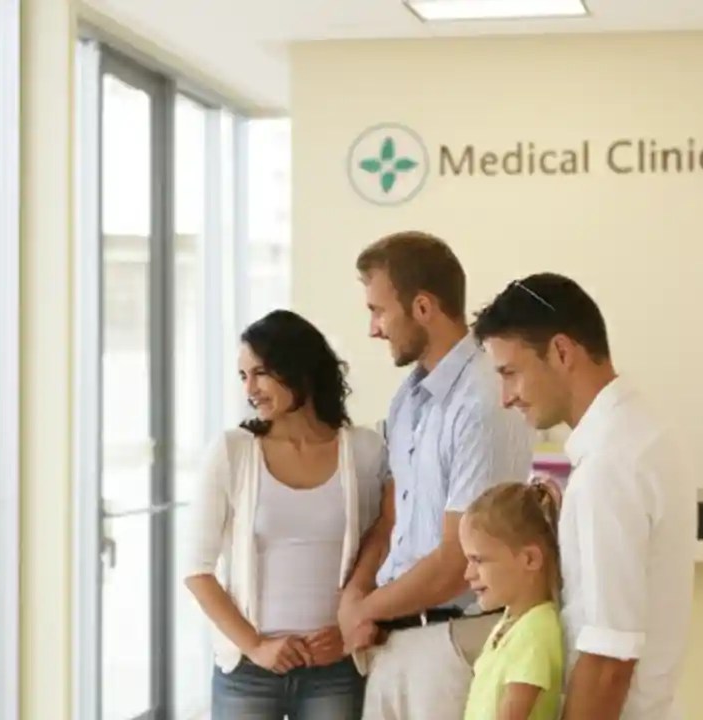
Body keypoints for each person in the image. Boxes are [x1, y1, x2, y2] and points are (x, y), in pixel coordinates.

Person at [472, 273, 694, 720]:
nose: (505, 398)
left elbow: (609, 659)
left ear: (561, 351)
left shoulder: (611, 462)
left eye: (510, 373)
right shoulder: (641, 433)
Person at [337, 231, 534, 720]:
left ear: (423, 307)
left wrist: (365, 609)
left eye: (379, 312)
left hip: (449, 643)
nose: (373, 329)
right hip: (396, 642)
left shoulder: (483, 399)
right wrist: (355, 595)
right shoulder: (408, 400)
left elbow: (456, 560)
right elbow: (391, 519)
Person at [184, 309, 392, 719]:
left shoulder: (365, 451)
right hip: (247, 671)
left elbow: (384, 540)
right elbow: (196, 570)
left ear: (299, 369)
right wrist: (257, 646)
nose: (250, 389)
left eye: (260, 373)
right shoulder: (231, 452)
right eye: (243, 376)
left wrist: (350, 630)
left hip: (335, 667)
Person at [460, 482, 566, 720]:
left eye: (478, 560)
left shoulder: (536, 632)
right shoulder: (511, 624)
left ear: (530, 559)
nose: (468, 574)